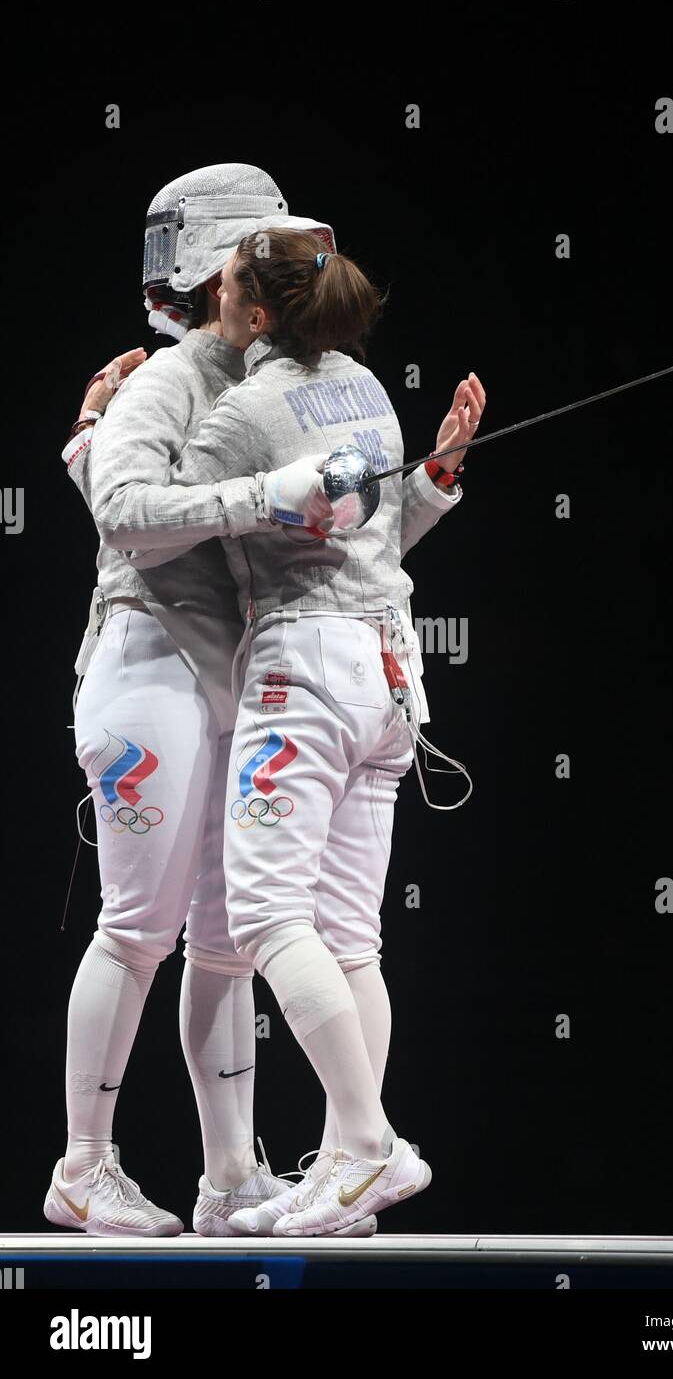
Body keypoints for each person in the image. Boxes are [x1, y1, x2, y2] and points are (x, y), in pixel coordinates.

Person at [87, 224, 486, 1235]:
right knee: (353, 937)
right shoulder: (364, 390)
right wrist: (429, 480)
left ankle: (363, 1145)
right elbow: (370, 535)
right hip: (392, 677)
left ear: (255, 311)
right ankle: (341, 1175)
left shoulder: (245, 407)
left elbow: (138, 525)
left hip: (302, 679)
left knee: (264, 917)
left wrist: (92, 446)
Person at [45, 164, 366, 1238]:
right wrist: (267, 492)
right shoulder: (170, 380)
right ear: (229, 266)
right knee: (137, 926)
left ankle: (230, 1176)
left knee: (227, 937)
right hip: (146, 667)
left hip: (233, 678)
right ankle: (83, 1166)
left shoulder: (268, 383)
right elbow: (126, 511)